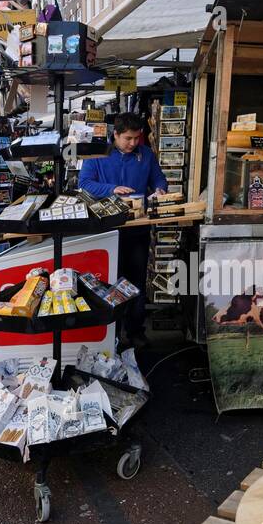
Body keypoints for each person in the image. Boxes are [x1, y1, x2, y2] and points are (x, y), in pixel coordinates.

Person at [77, 111, 167, 347]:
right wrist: (112, 188)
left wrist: (159, 190)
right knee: (109, 281)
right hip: (107, 230)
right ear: (115, 135)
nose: (133, 143)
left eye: (137, 138)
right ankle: (112, 333)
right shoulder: (98, 154)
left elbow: (159, 179)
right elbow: (84, 184)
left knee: (136, 280)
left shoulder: (145, 154)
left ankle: (135, 330)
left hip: (138, 229)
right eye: (128, 138)